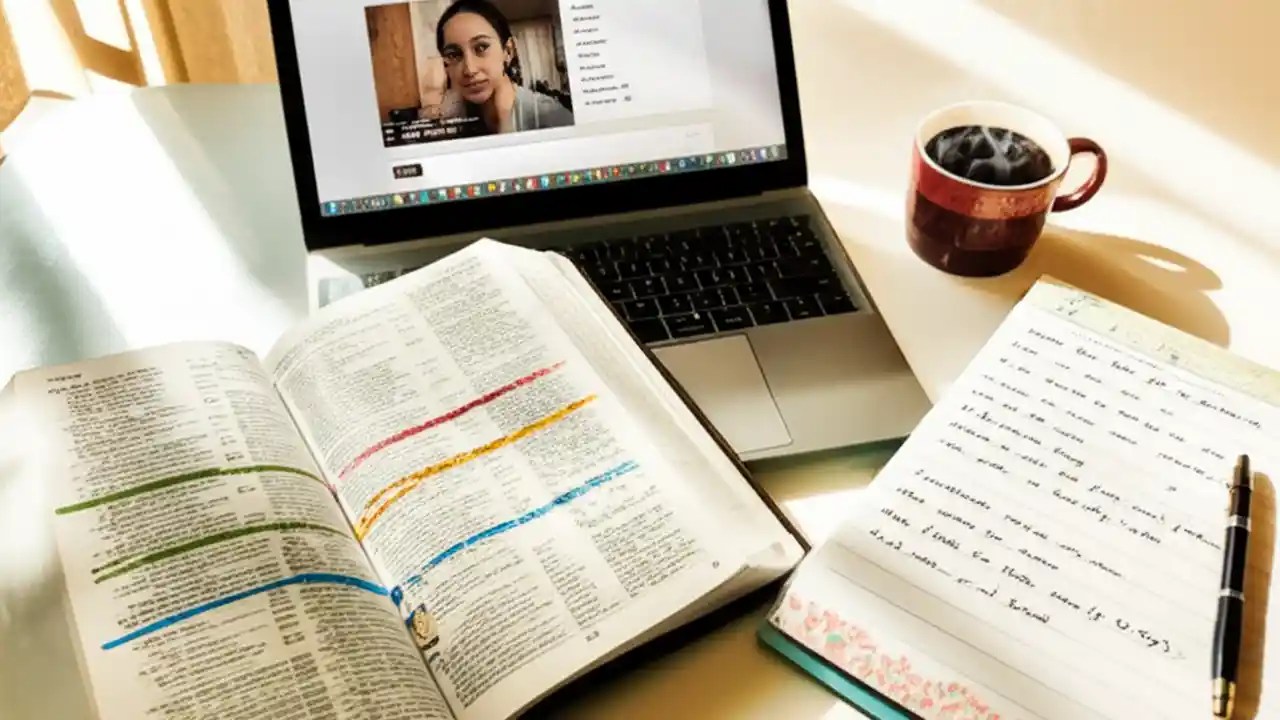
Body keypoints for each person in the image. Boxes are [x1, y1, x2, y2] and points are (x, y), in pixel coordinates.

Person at [435, 0, 574, 135]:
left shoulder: (553, 118)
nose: (470, 69)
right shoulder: (449, 120)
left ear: (508, 51)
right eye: (453, 55)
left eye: (481, 47)